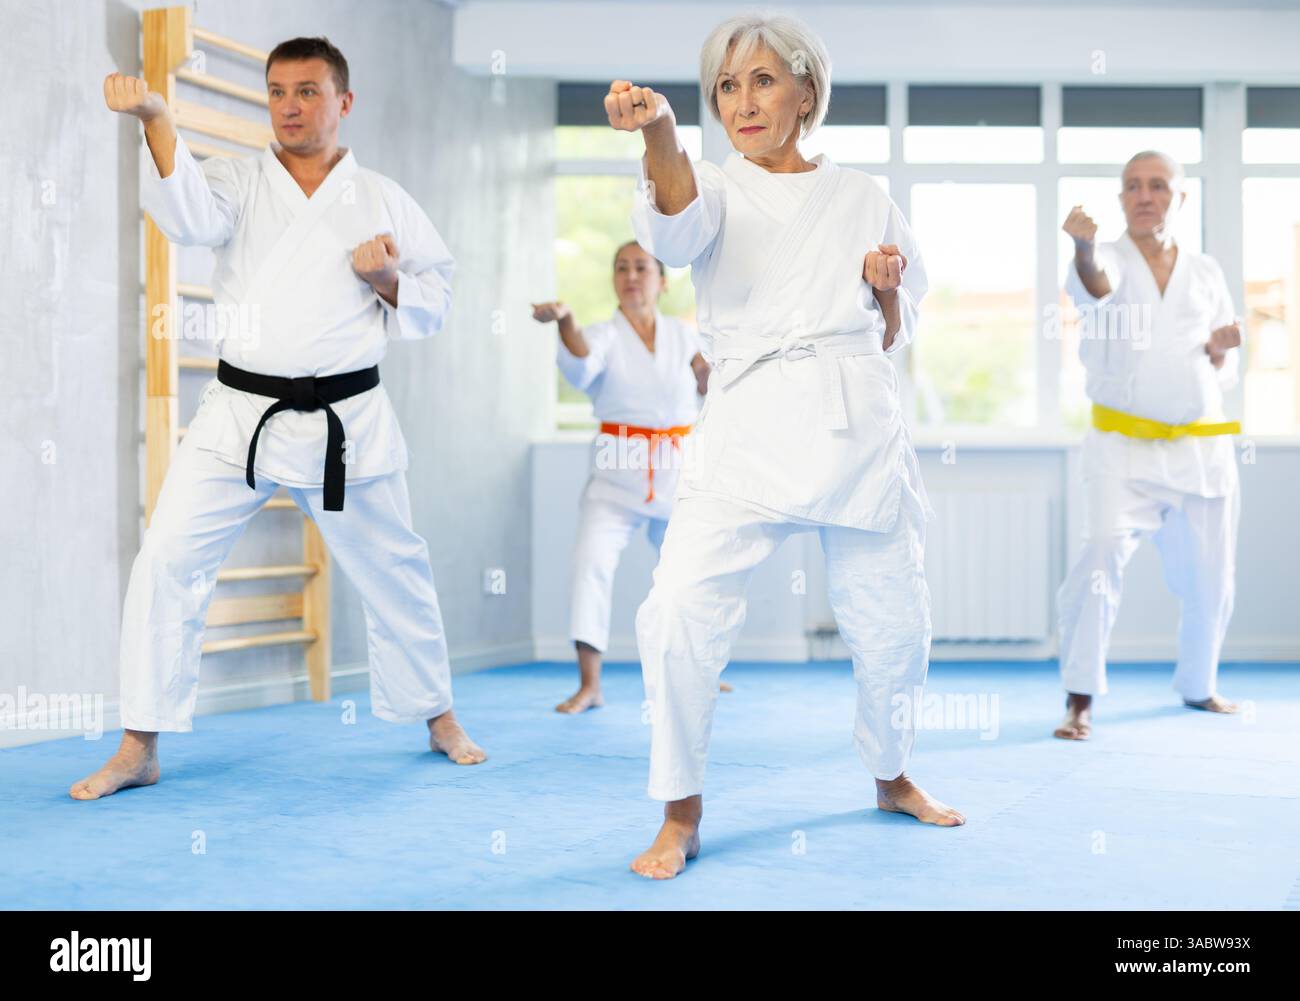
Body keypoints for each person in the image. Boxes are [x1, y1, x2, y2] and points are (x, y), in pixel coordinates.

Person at [73, 37, 485, 800]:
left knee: (397, 567)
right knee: (165, 558)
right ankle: (139, 741)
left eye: (307, 91)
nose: (290, 107)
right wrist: (157, 118)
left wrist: (388, 278)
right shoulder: (236, 178)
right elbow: (190, 217)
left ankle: (439, 715)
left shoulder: (384, 197)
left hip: (346, 419)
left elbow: (442, 295)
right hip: (241, 416)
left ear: (343, 101)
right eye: (277, 92)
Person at [609, 12, 966, 880]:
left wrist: (884, 292)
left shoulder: (864, 196)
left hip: (854, 419)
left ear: (807, 90)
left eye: (762, 81)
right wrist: (660, 128)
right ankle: (680, 810)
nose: (743, 102)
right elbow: (674, 225)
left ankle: (891, 771)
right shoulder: (715, 186)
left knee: (894, 626)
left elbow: (896, 326)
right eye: (726, 87)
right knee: (680, 612)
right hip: (747, 418)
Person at [1055, 151, 1244, 741]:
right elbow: (1097, 290)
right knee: (1100, 559)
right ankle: (1081, 697)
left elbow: (1223, 368)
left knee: (1211, 575)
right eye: (1132, 186)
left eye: (1157, 185)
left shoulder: (1207, 272)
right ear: (1120, 200)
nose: (1144, 195)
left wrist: (1220, 347)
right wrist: (1083, 249)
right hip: (1122, 448)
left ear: (1179, 199)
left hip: (1198, 448)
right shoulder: (1105, 256)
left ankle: (1198, 683)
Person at [532, 241, 716, 713]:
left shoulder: (684, 334)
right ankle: (589, 684)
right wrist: (566, 320)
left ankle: (698, 670)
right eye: (622, 268)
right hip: (615, 479)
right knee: (590, 565)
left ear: (662, 280)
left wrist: (720, 364)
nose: (631, 275)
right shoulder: (602, 334)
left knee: (689, 576)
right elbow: (580, 358)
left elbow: (706, 380)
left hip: (676, 476)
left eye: (641, 267)